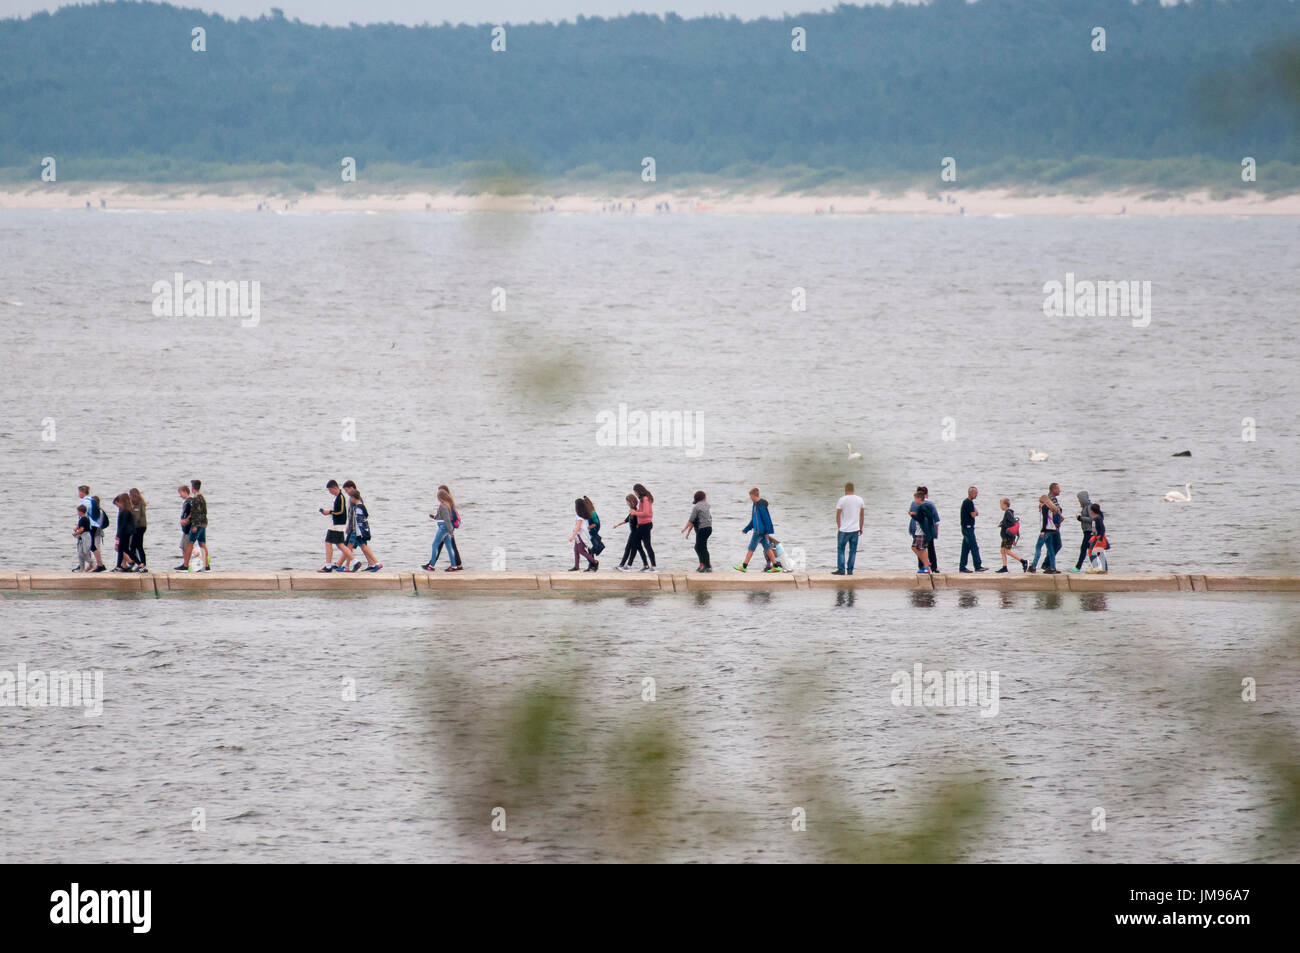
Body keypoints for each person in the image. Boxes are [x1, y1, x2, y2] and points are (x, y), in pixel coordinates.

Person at [734, 487, 779, 572]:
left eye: (750, 496)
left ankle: (744, 566)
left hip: (759, 532)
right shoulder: (755, 505)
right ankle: (776, 566)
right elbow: (753, 520)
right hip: (759, 531)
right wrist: (746, 529)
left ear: (754, 495)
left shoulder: (761, 505)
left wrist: (767, 531)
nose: (750, 498)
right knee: (768, 549)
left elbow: (767, 519)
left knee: (751, 548)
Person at [346, 486, 383, 571]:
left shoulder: (358, 508)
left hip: (358, 532)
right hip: (360, 531)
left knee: (350, 547)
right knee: (363, 547)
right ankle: (375, 563)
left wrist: (359, 533)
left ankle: (377, 563)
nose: (350, 500)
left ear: (353, 497)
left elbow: (359, 522)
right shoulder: (361, 506)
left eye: (350, 498)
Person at [1027, 487, 1063, 573]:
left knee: (1038, 547)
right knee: (1050, 550)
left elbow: (1044, 520)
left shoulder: (1044, 508)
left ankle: (1033, 566)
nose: (1038, 504)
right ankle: (1052, 568)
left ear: (1042, 502)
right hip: (1052, 530)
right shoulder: (1052, 508)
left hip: (1045, 531)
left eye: (1039, 502)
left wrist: (1042, 531)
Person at [424, 486, 460, 571]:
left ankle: (431, 565)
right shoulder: (445, 505)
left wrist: (450, 531)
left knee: (435, 545)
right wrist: (434, 517)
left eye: (438, 497)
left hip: (444, 528)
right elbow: (442, 517)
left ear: (440, 498)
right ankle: (454, 565)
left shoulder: (443, 506)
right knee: (449, 546)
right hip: (444, 527)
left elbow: (447, 520)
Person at [833, 482, 864, 575]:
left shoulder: (842, 500)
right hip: (855, 529)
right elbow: (862, 515)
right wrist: (861, 527)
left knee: (841, 549)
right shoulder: (860, 499)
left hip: (844, 529)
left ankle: (841, 569)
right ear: (853, 489)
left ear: (845, 490)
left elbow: (838, 515)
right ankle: (850, 570)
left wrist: (839, 527)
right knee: (853, 550)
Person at [318, 479, 349, 572]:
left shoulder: (341, 497)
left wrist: (330, 512)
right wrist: (329, 512)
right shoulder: (337, 497)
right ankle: (355, 561)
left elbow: (341, 511)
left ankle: (328, 566)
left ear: (335, 488)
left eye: (330, 490)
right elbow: (338, 511)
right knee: (340, 545)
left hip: (337, 524)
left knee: (328, 542)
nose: (330, 492)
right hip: (337, 523)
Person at [181, 479, 210, 571]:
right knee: (202, 544)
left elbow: (195, 513)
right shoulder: (202, 498)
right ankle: (207, 565)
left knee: (190, 543)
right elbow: (204, 512)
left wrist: (194, 525)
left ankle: (185, 565)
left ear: (193, 488)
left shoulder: (196, 499)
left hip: (197, 525)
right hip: (203, 524)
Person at [909, 486, 941, 572]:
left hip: (919, 531)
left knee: (920, 548)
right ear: (926, 494)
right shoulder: (930, 504)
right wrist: (935, 532)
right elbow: (936, 520)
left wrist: (912, 515)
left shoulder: (917, 504)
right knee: (928, 548)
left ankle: (924, 566)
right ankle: (932, 567)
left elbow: (920, 519)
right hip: (927, 530)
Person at [614, 493, 648, 571]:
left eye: (627, 501)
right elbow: (626, 520)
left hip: (636, 533)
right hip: (633, 533)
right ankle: (644, 565)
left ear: (631, 501)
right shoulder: (632, 511)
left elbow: (640, 521)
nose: (626, 503)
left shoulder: (636, 511)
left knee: (630, 548)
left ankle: (624, 565)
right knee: (638, 549)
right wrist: (617, 525)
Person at [77, 485, 106, 571]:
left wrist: (79, 527)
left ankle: (99, 564)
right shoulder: (91, 500)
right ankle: (91, 564)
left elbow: (83, 515)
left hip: (89, 526)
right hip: (94, 525)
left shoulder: (85, 501)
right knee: (89, 545)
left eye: (79, 492)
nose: (78, 494)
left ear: (82, 492)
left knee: (90, 545)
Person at [682, 490, 712, 572]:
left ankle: (706, 565)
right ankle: (705, 565)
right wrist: (687, 532)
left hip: (702, 529)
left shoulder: (696, 507)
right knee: (702, 547)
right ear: (703, 497)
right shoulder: (707, 505)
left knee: (699, 547)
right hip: (709, 528)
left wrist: (684, 529)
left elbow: (691, 520)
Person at [959, 486, 987, 572]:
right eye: (975, 493)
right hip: (968, 528)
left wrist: (975, 512)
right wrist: (976, 512)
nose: (976, 495)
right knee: (974, 547)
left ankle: (962, 567)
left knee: (965, 549)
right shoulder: (968, 502)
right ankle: (978, 566)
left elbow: (975, 512)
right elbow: (973, 514)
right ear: (970, 493)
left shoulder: (969, 502)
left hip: (966, 528)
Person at [996, 498, 1028, 572]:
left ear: (1005, 505)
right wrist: (1002, 523)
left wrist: (1002, 524)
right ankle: (1004, 567)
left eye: (1001, 505)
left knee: (1007, 551)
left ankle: (1023, 562)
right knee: (1002, 551)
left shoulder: (1008, 513)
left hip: (1008, 536)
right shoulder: (1008, 512)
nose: (1000, 507)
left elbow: (1012, 523)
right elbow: (1010, 522)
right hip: (1005, 536)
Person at [568, 498, 599, 571]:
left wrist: (572, 536)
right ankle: (576, 566)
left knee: (581, 550)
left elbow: (578, 526)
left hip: (581, 535)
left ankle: (595, 562)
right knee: (576, 549)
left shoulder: (580, 516)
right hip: (579, 535)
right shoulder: (583, 514)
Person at [631, 484, 656, 572]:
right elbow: (644, 512)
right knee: (638, 544)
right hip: (643, 524)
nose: (635, 494)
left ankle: (652, 566)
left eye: (635, 492)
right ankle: (647, 565)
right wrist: (637, 512)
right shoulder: (645, 499)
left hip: (645, 525)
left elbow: (646, 513)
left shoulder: (645, 499)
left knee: (646, 545)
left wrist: (635, 513)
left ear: (638, 491)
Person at [111, 493, 137, 571]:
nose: (117, 506)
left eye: (117, 504)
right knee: (121, 548)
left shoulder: (125, 511)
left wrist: (118, 534)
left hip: (124, 532)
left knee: (121, 548)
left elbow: (123, 524)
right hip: (125, 532)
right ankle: (123, 565)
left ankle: (132, 562)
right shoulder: (125, 509)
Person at [1071, 490, 1095, 573]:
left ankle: (1078, 568)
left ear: (1083, 498)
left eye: (1079, 499)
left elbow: (1092, 519)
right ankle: (1096, 567)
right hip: (1086, 531)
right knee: (1090, 550)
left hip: (1089, 532)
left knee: (1084, 549)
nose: (1078, 500)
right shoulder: (1085, 507)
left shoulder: (1089, 507)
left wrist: (1080, 518)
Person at [128, 487, 148, 573]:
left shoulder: (137, 504)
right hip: (141, 526)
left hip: (139, 527)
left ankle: (140, 563)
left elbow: (137, 517)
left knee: (135, 546)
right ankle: (140, 563)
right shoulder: (139, 503)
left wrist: (131, 527)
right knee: (138, 546)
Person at [1086, 503, 1110, 573]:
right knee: (1093, 552)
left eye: (1090, 510)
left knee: (1097, 553)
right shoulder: (1096, 518)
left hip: (1099, 538)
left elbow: (1102, 529)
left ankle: (1102, 569)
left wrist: (1100, 538)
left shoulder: (1098, 519)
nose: (1090, 512)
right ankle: (1098, 568)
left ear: (1092, 511)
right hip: (1095, 538)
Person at [72, 504, 95, 572]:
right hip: (82, 537)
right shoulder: (84, 519)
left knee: (84, 553)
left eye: (78, 511)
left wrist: (75, 533)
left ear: (81, 512)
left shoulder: (83, 519)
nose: (77, 513)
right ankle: (82, 568)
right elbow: (80, 527)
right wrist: (76, 528)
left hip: (85, 537)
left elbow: (82, 529)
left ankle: (92, 563)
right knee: (80, 553)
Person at [176, 484, 193, 567]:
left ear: (185, 491)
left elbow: (193, 512)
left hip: (188, 528)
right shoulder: (186, 502)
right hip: (185, 529)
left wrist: (186, 520)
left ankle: (186, 565)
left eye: (180, 493)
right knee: (182, 546)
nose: (180, 495)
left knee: (186, 546)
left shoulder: (190, 501)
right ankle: (185, 563)